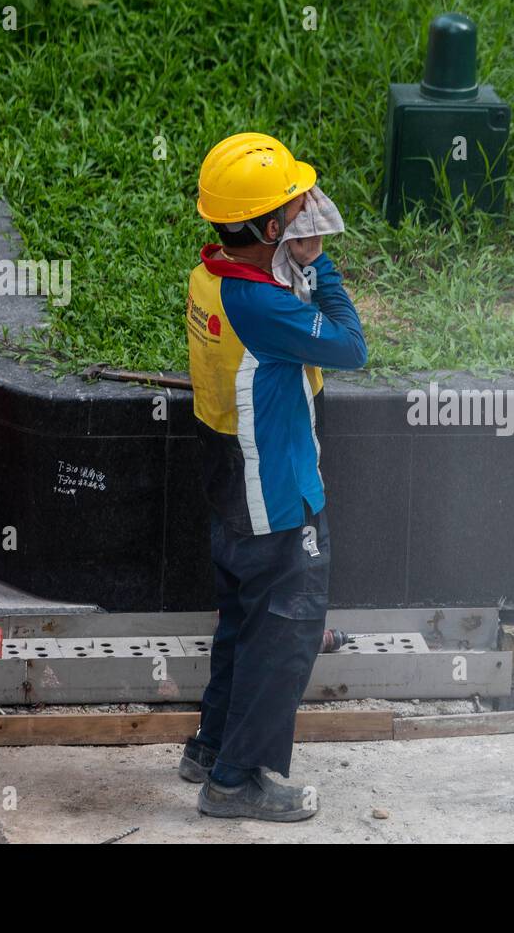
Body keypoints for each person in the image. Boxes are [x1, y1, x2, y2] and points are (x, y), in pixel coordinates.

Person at [180, 132, 366, 821]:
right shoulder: (267, 308)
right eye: (293, 208)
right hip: (277, 497)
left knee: (242, 622)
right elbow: (350, 345)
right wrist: (319, 270)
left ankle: (208, 747)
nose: (307, 214)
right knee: (284, 633)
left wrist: (289, 264)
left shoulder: (212, 277)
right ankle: (234, 782)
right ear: (267, 228)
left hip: (232, 490)